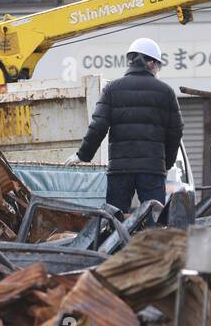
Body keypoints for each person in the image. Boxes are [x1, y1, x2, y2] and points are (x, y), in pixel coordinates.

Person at [73, 37, 184, 214]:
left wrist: (83, 155)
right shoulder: (166, 92)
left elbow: (98, 126)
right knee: (154, 222)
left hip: (120, 170)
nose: (158, 70)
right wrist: (166, 163)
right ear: (150, 63)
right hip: (152, 170)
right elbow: (175, 132)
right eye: (158, 66)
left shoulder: (112, 89)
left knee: (115, 223)